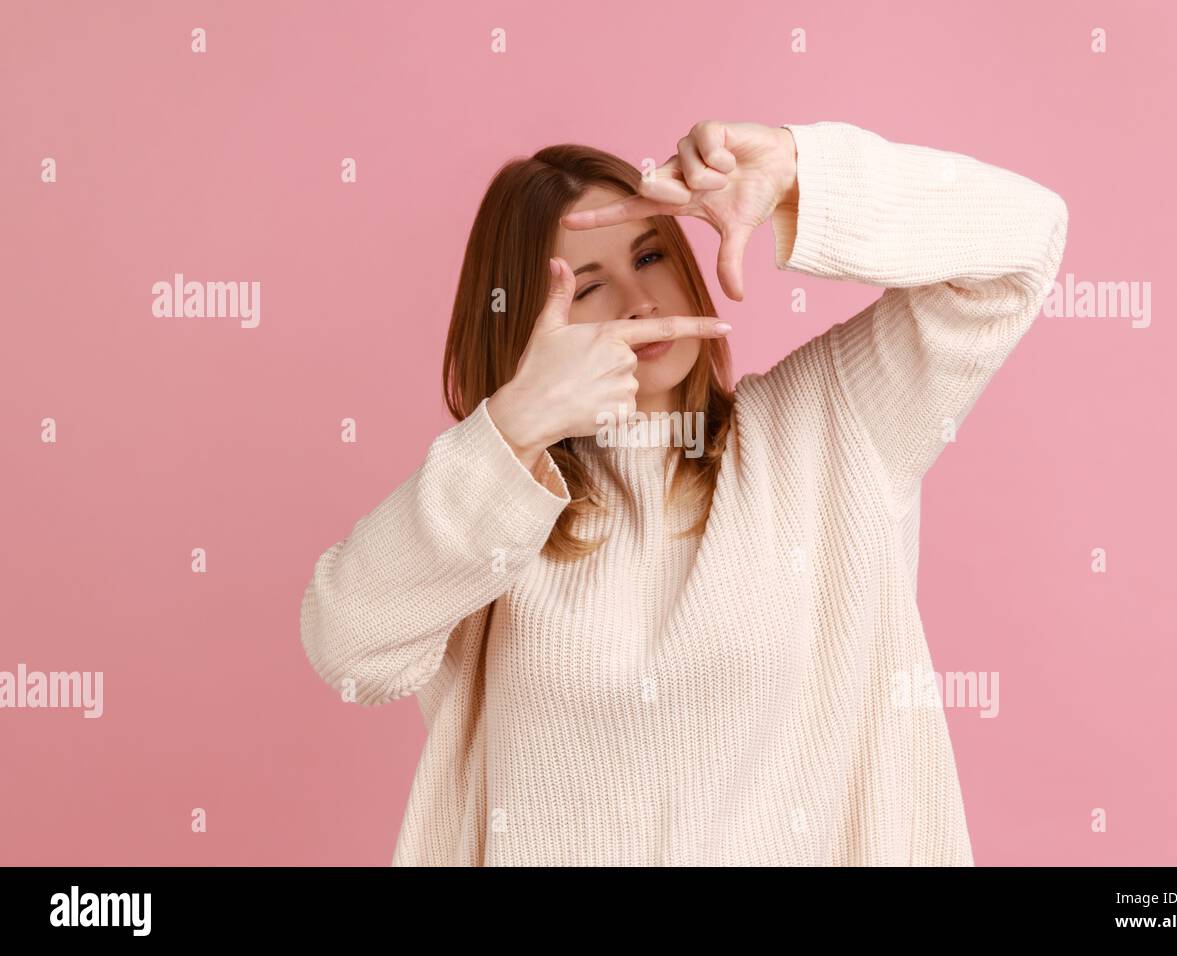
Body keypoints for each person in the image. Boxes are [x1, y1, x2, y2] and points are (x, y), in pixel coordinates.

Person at [299, 119, 1069, 865]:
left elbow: (1022, 245)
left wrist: (801, 175)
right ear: (523, 325)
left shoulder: (827, 426)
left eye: (650, 255)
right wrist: (514, 428)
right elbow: (351, 651)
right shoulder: (493, 504)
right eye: (589, 285)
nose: (641, 302)